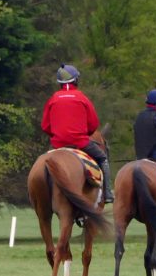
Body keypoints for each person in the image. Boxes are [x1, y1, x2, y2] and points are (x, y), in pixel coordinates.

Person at [40, 64, 113, 203]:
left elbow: (45, 126)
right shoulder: (82, 98)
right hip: (81, 143)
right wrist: (85, 133)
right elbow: (93, 124)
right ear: (75, 80)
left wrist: (57, 136)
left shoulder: (53, 99)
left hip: (58, 144)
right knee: (103, 158)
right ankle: (108, 193)